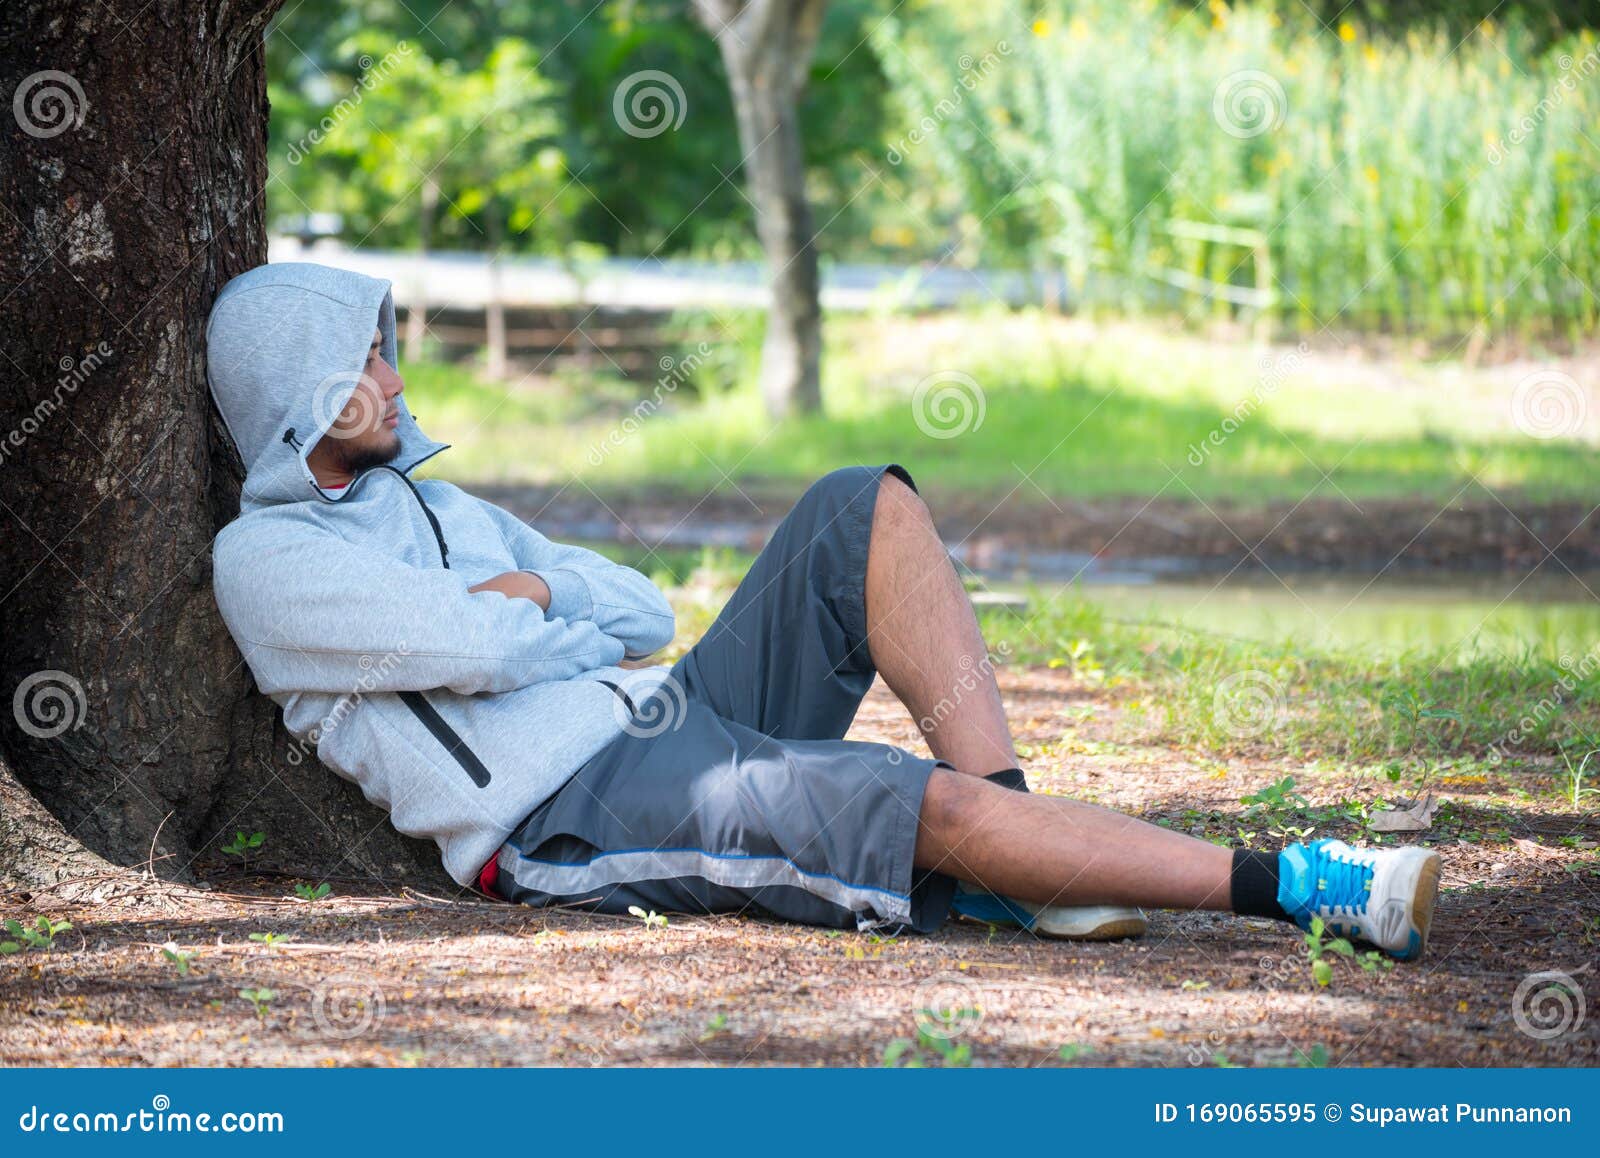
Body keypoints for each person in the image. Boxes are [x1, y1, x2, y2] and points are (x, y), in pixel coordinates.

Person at [206, 262, 1442, 958]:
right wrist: (528, 611)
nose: (393, 369)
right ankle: (1305, 887)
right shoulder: (265, 561)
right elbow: (474, 646)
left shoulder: (446, 507)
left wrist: (535, 596)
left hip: (665, 712)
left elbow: (634, 609)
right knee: (913, 805)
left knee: (861, 503)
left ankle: (1021, 845)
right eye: (362, 356)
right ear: (295, 389)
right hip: (567, 811)